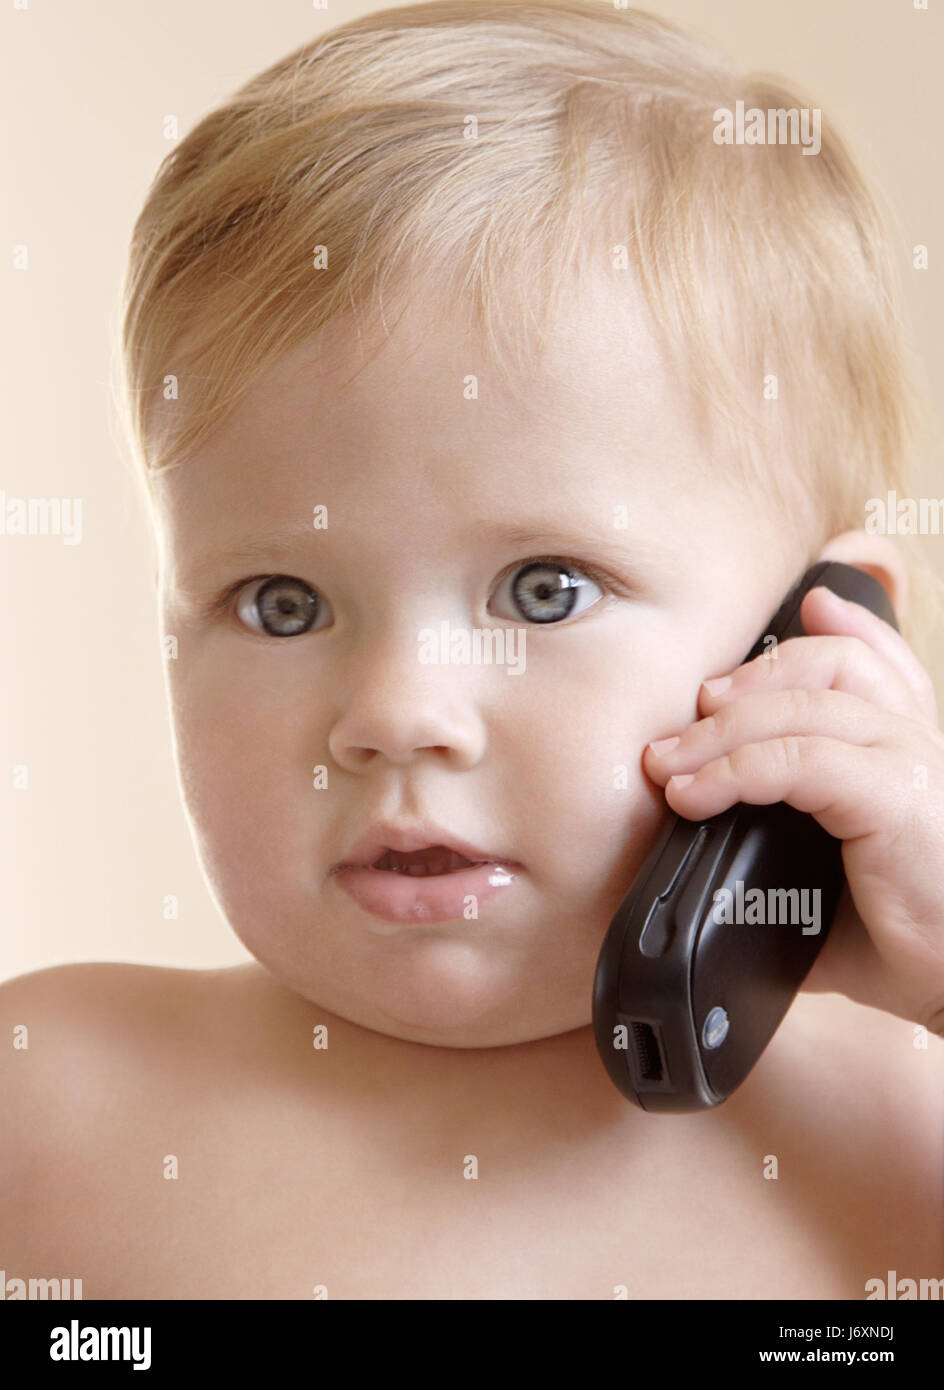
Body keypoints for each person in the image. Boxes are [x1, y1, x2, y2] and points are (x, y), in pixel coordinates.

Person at [3, 0, 942, 1299]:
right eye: (283, 601)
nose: (394, 712)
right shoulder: (54, 1098)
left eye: (544, 590)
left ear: (821, 636)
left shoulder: (904, 1130)